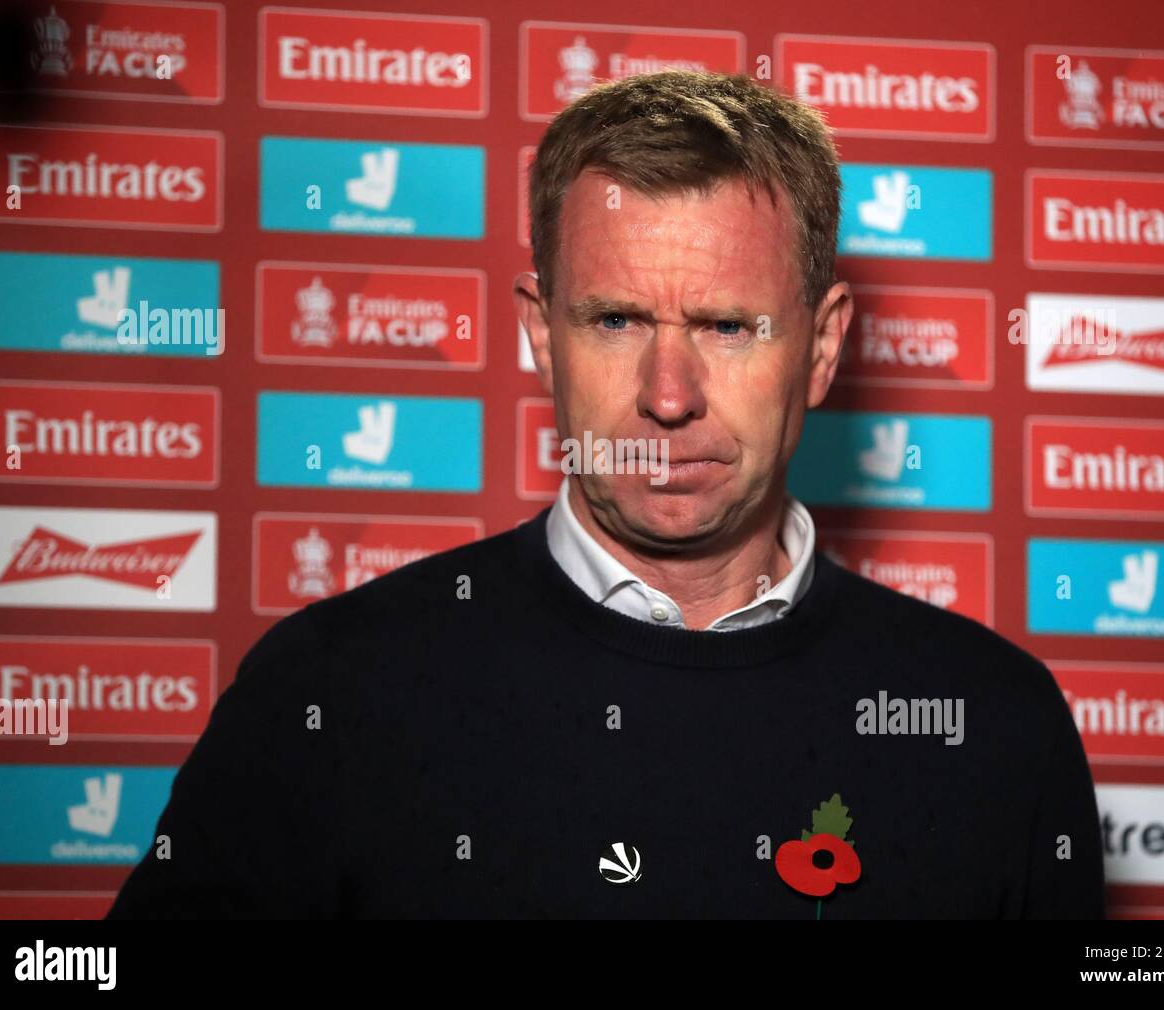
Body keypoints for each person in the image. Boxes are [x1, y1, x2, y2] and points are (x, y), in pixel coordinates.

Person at [109, 70, 1104, 919]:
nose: (667, 397)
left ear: (824, 345)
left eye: (726, 326)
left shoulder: (995, 724)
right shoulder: (324, 692)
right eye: (617, 319)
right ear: (542, 333)